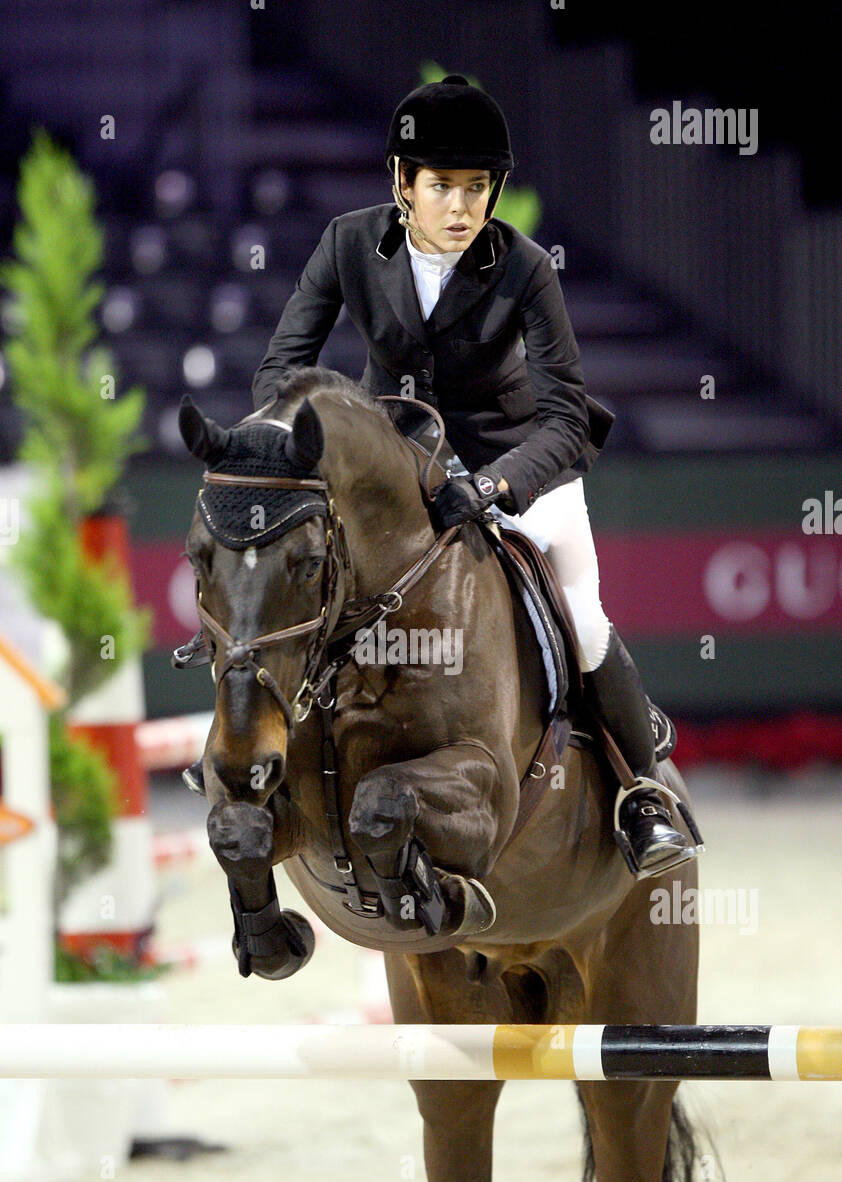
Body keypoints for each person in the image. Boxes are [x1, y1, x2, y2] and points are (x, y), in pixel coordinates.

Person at [180, 73, 699, 878]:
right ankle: (256, 757)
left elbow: (566, 415)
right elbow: (283, 369)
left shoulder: (525, 268)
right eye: (442, 187)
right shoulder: (350, 243)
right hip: (397, 477)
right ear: (402, 184)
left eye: (477, 188)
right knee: (310, 589)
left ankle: (643, 798)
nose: (461, 208)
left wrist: (495, 486)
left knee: (584, 615)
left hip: (519, 464)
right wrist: (326, 440)